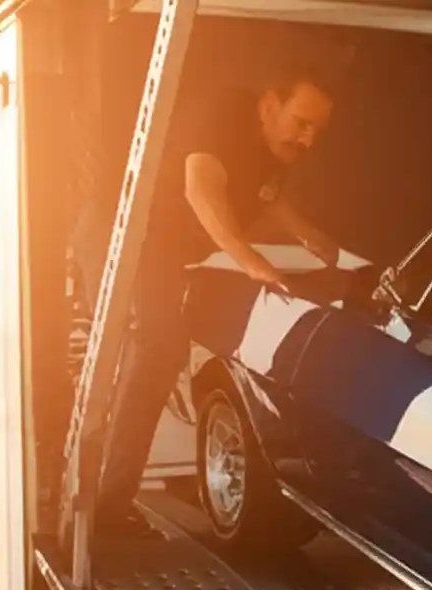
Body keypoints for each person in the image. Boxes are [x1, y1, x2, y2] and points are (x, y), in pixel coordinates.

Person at [92, 64, 339, 533]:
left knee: (160, 352)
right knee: (157, 350)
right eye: (301, 123)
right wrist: (252, 264)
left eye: (317, 131)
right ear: (270, 105)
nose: (308, 140)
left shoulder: (270, 148)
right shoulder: (221, 115)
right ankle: (103, 507)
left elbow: (265, 196)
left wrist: (310, 236)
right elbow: (200, 189)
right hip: (125, 236)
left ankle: (106, 493)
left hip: (165, 248)